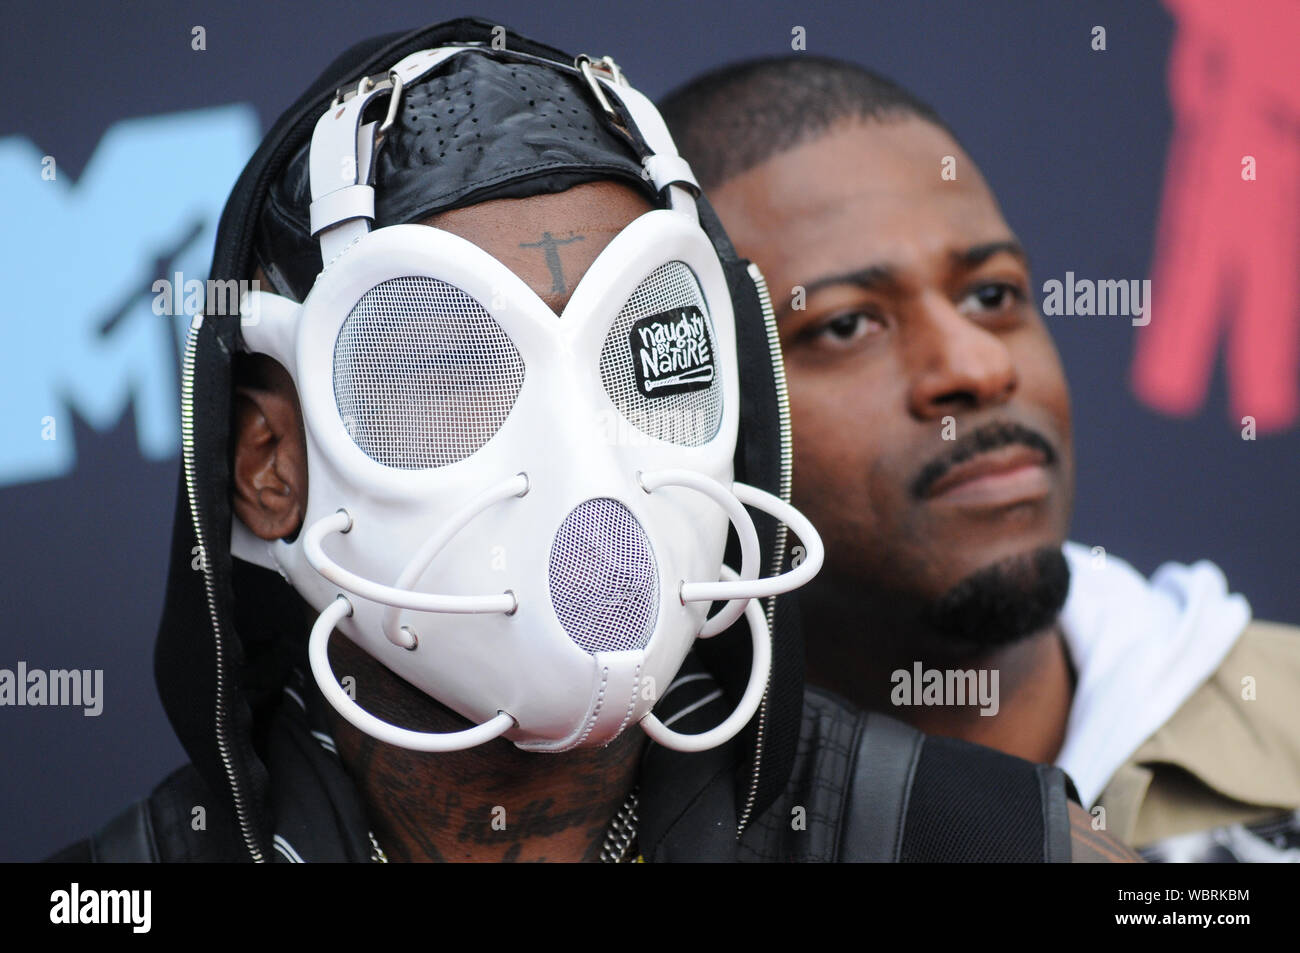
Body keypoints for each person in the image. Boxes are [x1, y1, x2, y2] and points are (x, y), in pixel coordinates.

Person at [45, 20, 1131, 863]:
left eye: (630, 355)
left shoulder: (983, 842)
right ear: (269, 464)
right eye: (456, 368)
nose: (582, 457)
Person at [661, 54, 1300, 861]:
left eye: (991, 296)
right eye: (846, 324)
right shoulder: (601, 815)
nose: (978, 365)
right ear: (685, 418)